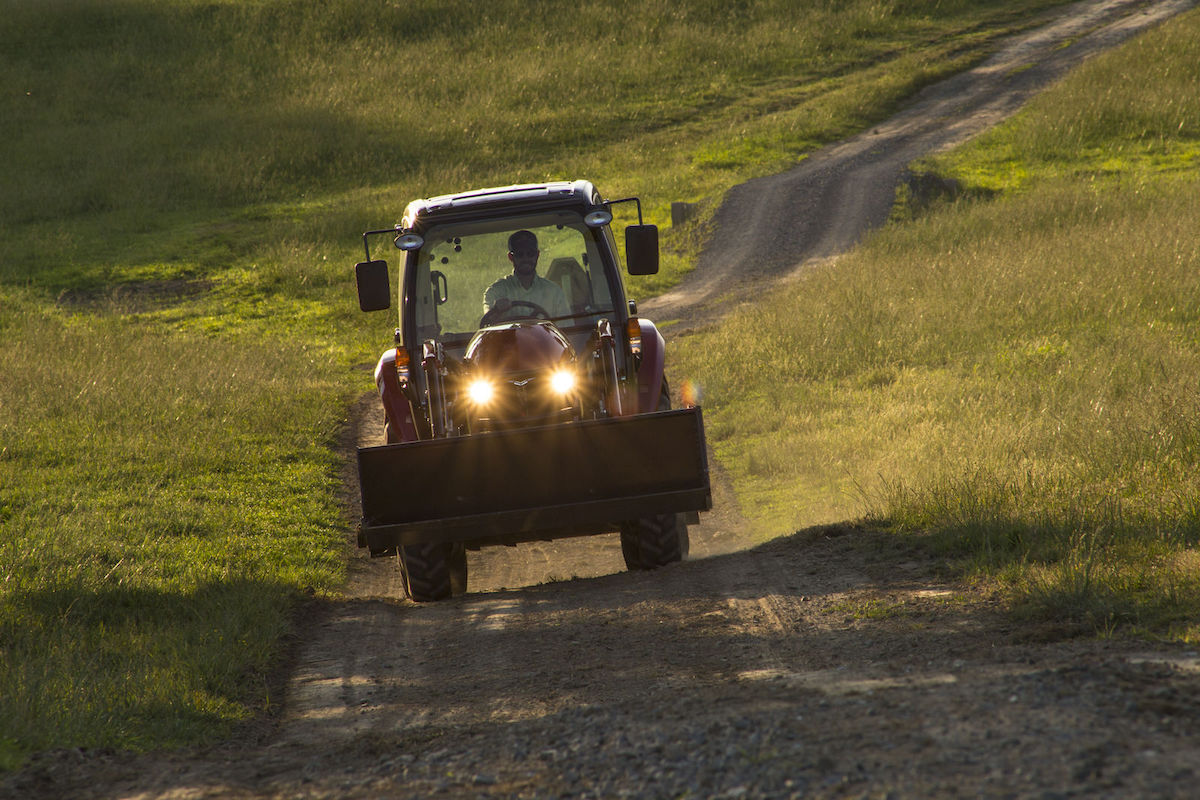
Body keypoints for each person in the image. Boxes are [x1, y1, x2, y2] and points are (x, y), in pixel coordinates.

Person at [482, 230, 570, 321]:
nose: (525, 258)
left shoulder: (554, 292)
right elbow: (488, 322)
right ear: (511, 257)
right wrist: (496, 311)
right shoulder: (496, 292)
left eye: (530, 253)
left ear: (537, 255)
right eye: (520, 254)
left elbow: (566, 329)